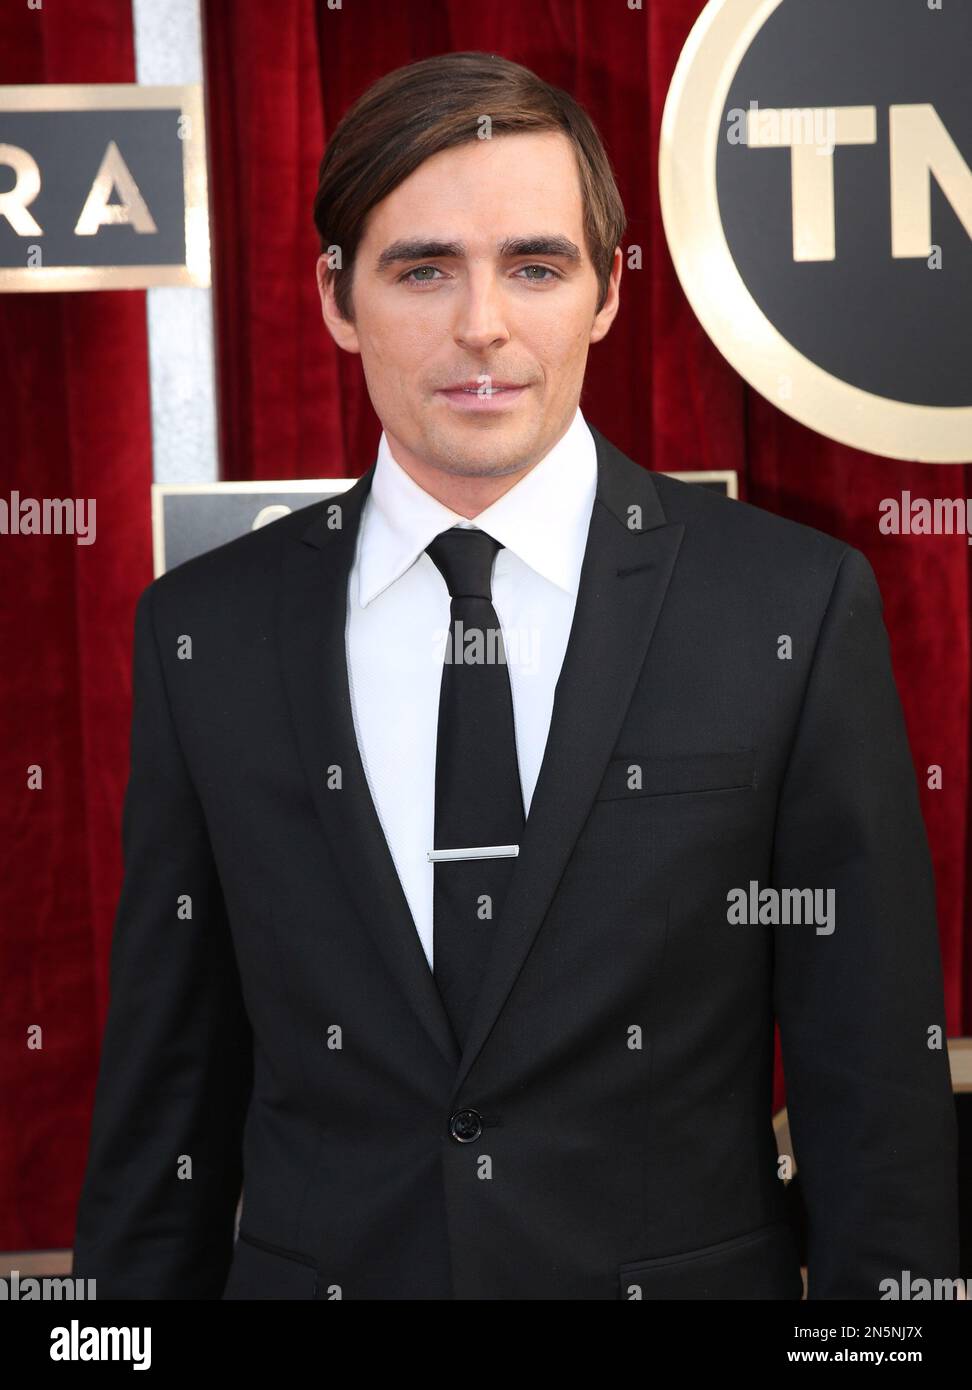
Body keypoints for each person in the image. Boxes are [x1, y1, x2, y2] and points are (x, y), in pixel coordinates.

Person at [72, 50, 959, 1300]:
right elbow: (165, 1103)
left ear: (606, 292)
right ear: (336, 297)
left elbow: (873, 1093)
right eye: (423, 269)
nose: (481, 324)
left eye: (535, 267)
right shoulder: (205, 634)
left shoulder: (788, 608)